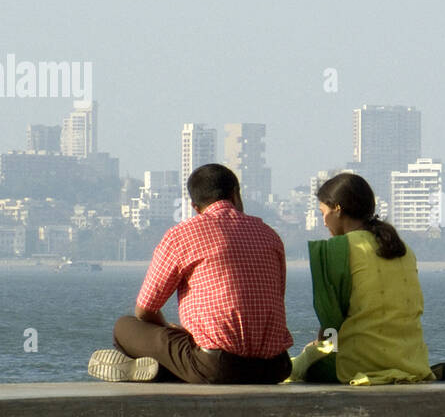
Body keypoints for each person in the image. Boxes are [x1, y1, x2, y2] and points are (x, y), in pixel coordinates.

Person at [87, 163, 293, 384]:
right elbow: (277, 297)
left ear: (195, 206)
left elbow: (145, 310)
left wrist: (169, 329)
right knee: (198, 353)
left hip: (218, 367)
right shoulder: (269, 235)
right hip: (276, 367)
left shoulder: (183, 234)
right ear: (235, 193)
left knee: (124, 326)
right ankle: (167, 370)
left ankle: (159, 371)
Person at [294, 172, 433, 385]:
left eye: (323, 212)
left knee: (302, 364)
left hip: (357, 366)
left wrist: (321, 349)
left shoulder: (337, 249)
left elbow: (331, 322)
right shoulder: (403, 248)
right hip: (412, 363)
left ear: (337, 209)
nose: (323, 222)